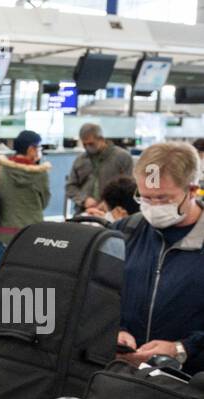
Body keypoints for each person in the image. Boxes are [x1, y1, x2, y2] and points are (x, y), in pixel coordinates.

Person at [114, 141, 204, 373]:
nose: (153, 207)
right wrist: (114, 329)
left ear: (192, 190)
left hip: (189, 386)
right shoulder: (124, 232)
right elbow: (99, 294)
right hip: (123, 377)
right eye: (145, 198)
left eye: (163, 199)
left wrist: (181, 349)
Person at [0, 130, 51, 265]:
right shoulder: (40, 174)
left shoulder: (1, 167)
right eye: (39, 148)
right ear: (30, 149)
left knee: (0, 276)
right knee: (26, 275)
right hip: (31, 234)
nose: (39, 152)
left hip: (2, 232)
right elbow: (44, 203)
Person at [66, 122, 133, 214]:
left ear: (101, 139)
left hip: (113, 212)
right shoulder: (80, 160)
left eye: (91, 144)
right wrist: (84, 199)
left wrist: (108, 202)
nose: (88, 147)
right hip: (84, 211)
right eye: (84, 145)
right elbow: (70, 187)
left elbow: (129, 187)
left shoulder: (122, 157)